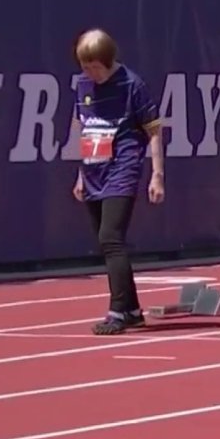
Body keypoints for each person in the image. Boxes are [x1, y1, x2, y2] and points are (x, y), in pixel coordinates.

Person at [72, 29, 165, 336]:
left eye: (95, 67)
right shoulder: (83, 85)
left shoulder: (131, 85)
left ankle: (117, 312)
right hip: (94, 170)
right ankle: (134, 310)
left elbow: (154, 130)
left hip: (123, 168)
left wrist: (157, 174)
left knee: (110, 237)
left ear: (108, 61)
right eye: (84, 67)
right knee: (106, 241)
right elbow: (85, 129)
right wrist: (80, 174)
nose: (89, 73)